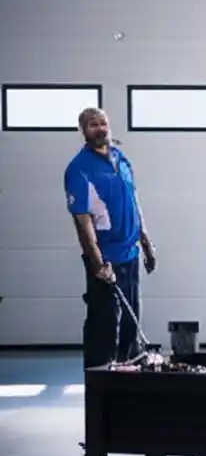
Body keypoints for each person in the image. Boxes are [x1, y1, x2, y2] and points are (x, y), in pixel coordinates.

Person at [63, 107, 157, 369]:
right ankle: (100, 378)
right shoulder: (79, 169)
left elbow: (133, 202)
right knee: (104, 324)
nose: (100, 128)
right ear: (83, 130)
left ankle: (129, 374)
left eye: (103, 122)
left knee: (130, 320)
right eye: (93, 124)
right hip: (106, 259)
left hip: (130, 254)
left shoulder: (121, 159)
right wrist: (98, 264)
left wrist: (146, 244)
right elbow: (82, 222)